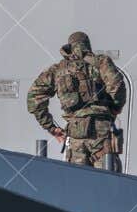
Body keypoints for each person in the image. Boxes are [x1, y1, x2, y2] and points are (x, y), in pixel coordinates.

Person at [27, 31, 127, 169]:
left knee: (76, 181)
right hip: (101, 131)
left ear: (70, 47)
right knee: (107, 180)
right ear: (88, 46)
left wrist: (52, 128)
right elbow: (117, 85)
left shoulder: (57, 70)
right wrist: (114, 109)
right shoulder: (101, 62)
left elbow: (34, 98)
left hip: (75, 133)